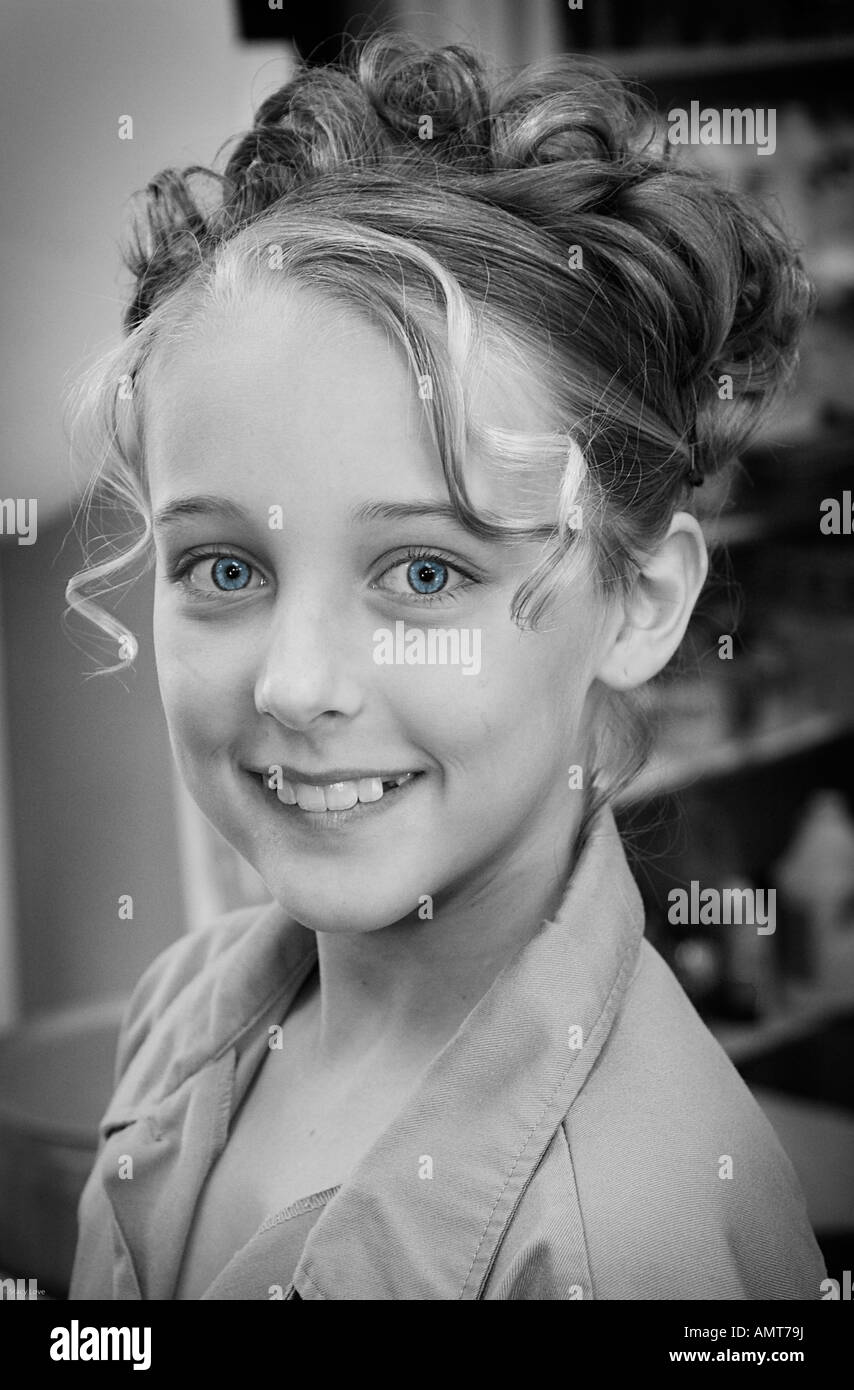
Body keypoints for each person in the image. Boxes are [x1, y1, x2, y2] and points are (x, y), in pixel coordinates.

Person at [67, 33, 825, 1300]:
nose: (295, 685)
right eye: (225, 567)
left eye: (422, 574)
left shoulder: (622, 1237)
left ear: (636, 603)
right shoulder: (180, 1010)